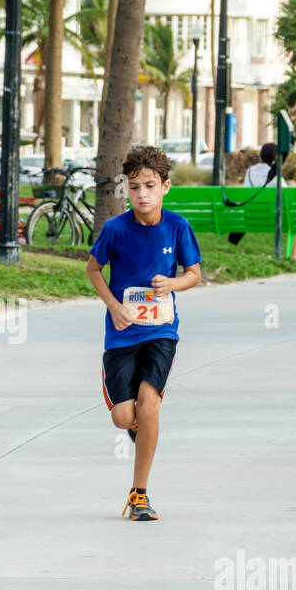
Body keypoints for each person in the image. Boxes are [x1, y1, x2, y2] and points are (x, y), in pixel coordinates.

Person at [86, 145, 202, 521]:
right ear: (126, 189)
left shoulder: (177, 227)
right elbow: (92, 270)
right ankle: (139, 427)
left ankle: (139, 494)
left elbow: (194, 274)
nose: (142, 194)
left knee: (149, 403)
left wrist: (172, 283)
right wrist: (114, 306)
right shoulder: (115, 230)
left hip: (161, 330)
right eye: (134, 187)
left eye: (150, 185)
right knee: (124, 416)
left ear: (165, 186)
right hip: (121, 334)